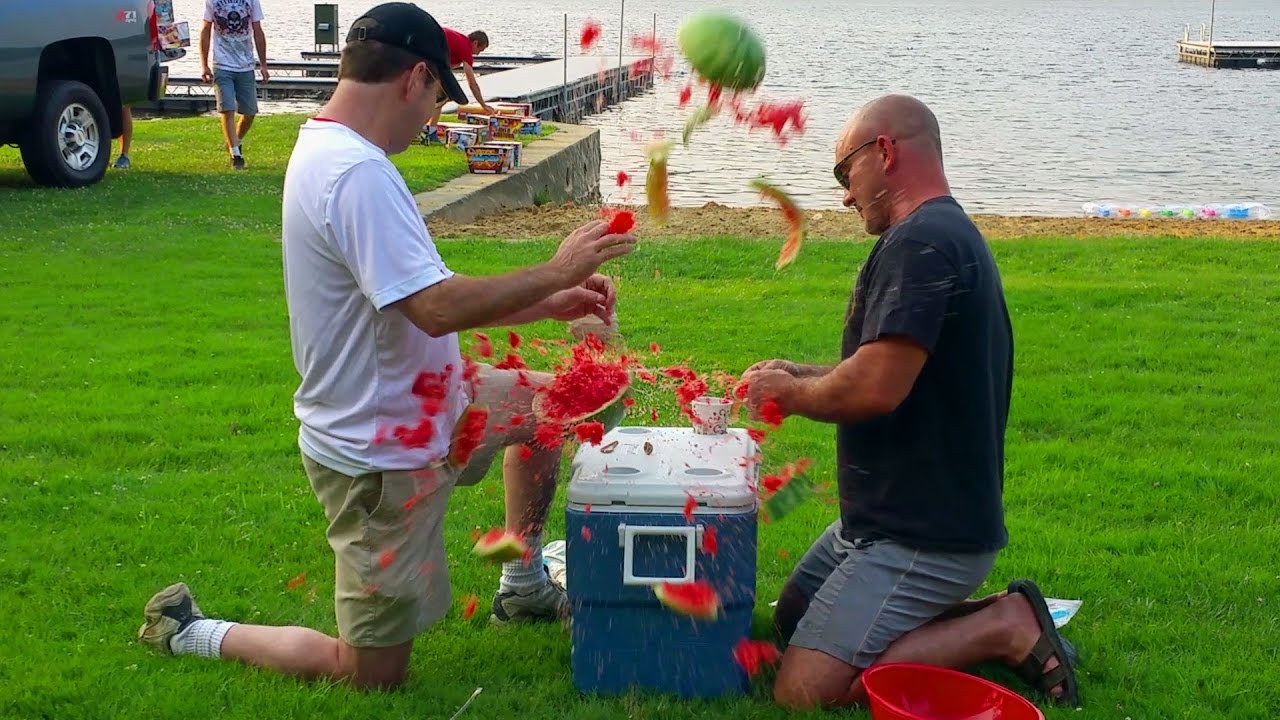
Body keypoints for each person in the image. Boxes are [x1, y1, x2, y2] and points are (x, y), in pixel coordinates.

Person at [136, 2, 637, 691]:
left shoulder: (338, 151)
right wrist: (558, 271)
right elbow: (434, 309)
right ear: (416, 78)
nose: (432, 118)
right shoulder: (355, 173)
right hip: (380, 455)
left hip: (438, 402)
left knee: (561, 406)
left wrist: (550, 302)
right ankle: (189, 629)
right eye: (437, 98)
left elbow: (417, 292)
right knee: (370, 673)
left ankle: (522, 584)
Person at [737, 94, 1080, 711]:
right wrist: (798, 371)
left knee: (805, 690)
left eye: (845, 172)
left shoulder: (921, 244)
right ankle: (963, 616)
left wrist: (790, 395)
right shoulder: (935, 233)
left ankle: (1005, 627)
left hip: (923, 534)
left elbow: (875, 387)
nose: (845, 196)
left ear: (886, 152)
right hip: (880, 520)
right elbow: (889, 366)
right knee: (790, 622)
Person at [199, 0, 269, 169]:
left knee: (250, 113)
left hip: (246, 65)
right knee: (227, 108)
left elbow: (258, 30)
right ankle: (236, 155)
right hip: (222, 64)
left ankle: (234, 142)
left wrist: (263, 65)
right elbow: (206, 30)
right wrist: (204, 65)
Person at [422, 28, 495, 144]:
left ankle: (428, 129)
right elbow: (472, 83)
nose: (477, 54)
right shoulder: (465, 48)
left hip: (426, 50)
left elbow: (448, 66)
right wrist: (483, 105)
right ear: (475, 43)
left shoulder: (460, 41)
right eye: (479, 50)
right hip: (427, 55)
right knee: (441, 97)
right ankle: (427, 131)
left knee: (438, 96)